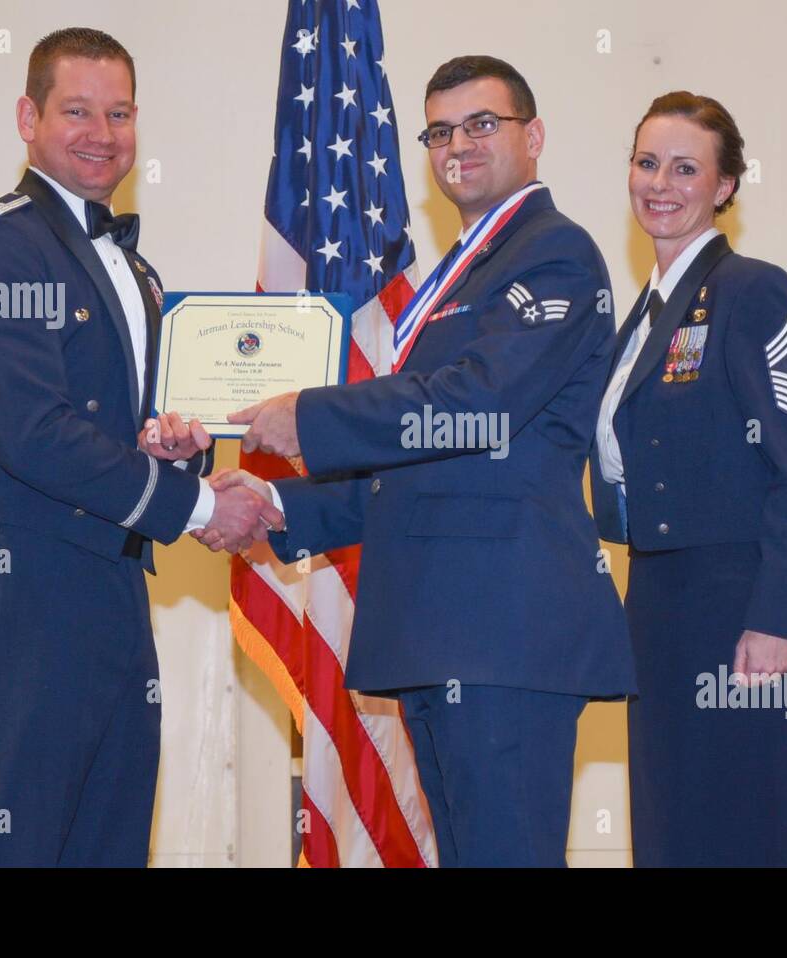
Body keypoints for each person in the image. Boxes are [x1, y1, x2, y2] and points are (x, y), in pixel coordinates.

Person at [208, 56, 635, 867]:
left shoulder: (554, 254)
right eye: (440, 130)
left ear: (533, 135)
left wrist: (309, 415)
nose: (457, 146)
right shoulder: (469, 267)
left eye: (482, 124)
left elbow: (477, 407)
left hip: (506, 633)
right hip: (447, 632)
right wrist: (282, 508)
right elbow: (421, 464)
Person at [0, 27, 280, 866]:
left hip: (116, 575)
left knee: (112, 832)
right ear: (28, 116)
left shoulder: (139, 269)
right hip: (24, 578)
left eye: (119, 112)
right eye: (77, 110)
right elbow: (33, 435)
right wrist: (198, 504)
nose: (102, 132)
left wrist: (181, 450)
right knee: (21, 830)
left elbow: (121, 432)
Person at [588, 92, 787, 866]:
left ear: (726, 187)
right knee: (675, 823)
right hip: (661, 600)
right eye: (647, 162)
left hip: (740, 607)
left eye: (686, 167)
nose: (660, 183)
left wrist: (778, 619)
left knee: (746, 823)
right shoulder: (644, 314)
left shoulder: (754, 292)